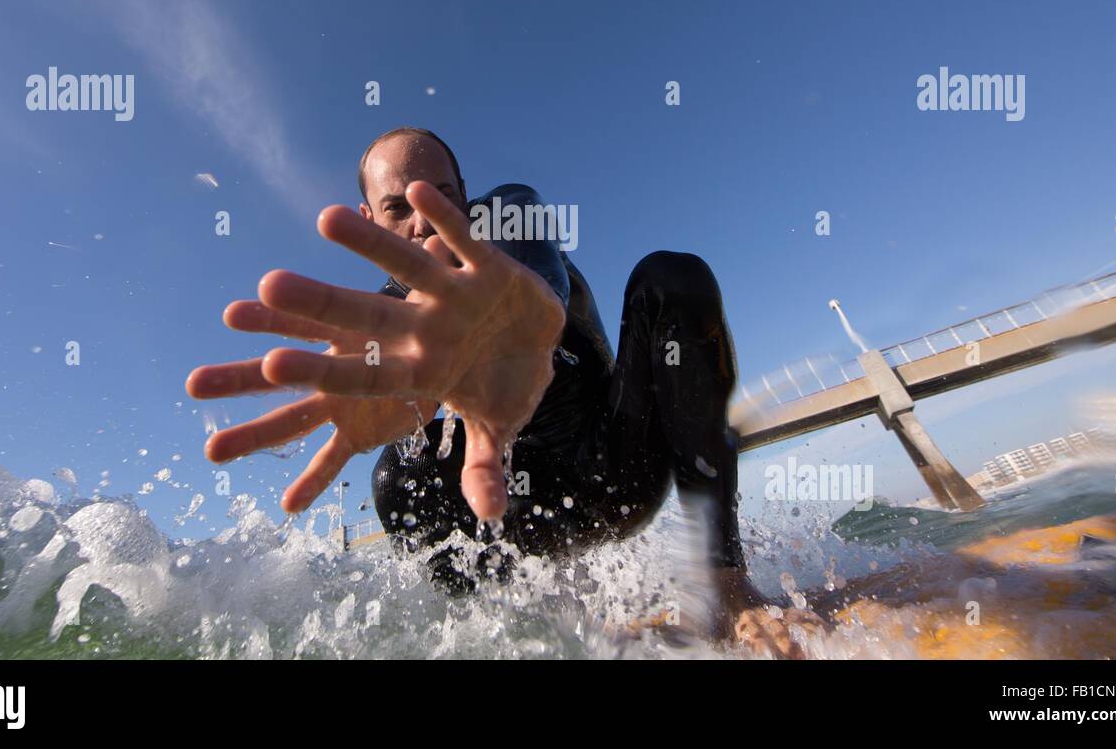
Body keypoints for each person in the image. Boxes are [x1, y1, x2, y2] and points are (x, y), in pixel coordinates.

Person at [187, 127, 822, 655]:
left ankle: (729, 589)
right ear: (368, 221)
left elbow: (533, 275)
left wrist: (522, 315)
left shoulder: (508, 217)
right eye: (397, 208)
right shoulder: (381, 319)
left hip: (611, 468)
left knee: (671, 276)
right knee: (392, 477)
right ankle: (489, 633)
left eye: (439, 195)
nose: (422, 220)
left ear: (464, 196)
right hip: (504, 517)